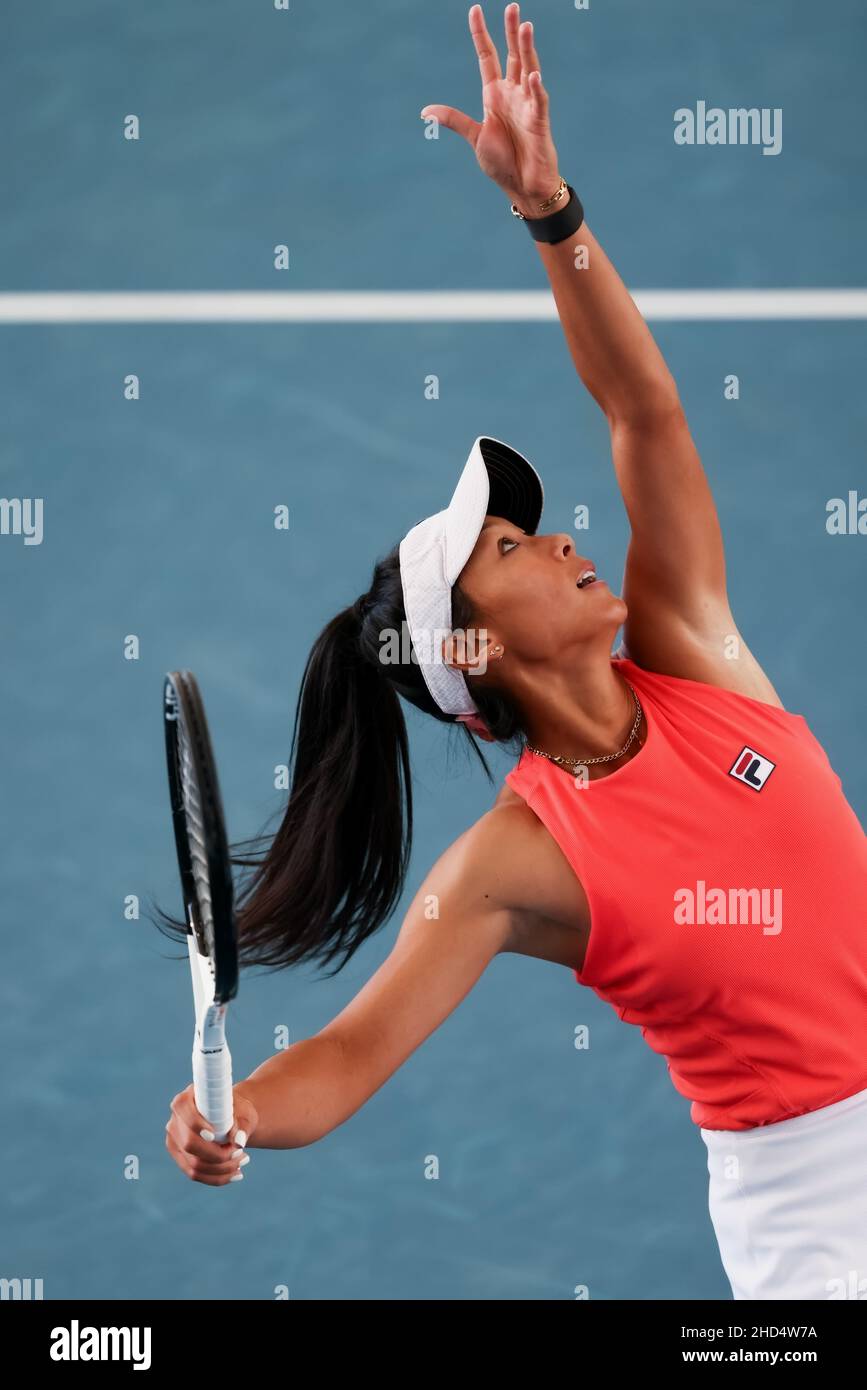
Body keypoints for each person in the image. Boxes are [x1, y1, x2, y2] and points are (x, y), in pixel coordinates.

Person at [164, 4, 867, 1300]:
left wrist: (549, 211)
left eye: (533, 530)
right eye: (512, 548)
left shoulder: (690, 652)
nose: (558, 544)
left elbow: (641, 406)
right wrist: (239, 1113)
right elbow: (350, 1051)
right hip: (815, 1211)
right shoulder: (519, 858)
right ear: (477, 644)